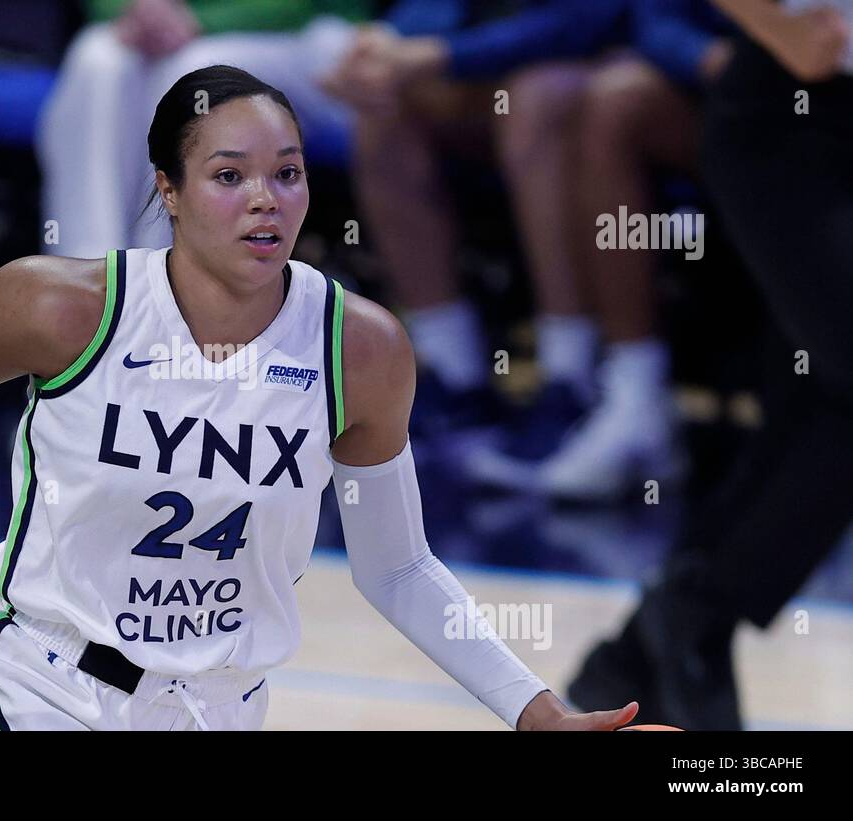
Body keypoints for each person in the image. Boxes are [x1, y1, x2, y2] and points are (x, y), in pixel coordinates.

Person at [0, 65, 638, 731]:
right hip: (39, 685)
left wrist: (535, 710)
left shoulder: (359, 349)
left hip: (219, 706)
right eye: (230, 176)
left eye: (287, 173)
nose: (266, 199)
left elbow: (397, 569)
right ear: (169, 189)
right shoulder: (63, 307)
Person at [569, 0, 853, 729]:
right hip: (794, 118)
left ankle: (640, 652)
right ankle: (688, 618)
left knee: (818, 404)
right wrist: (774, 21)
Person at [320, 0, 626, 444]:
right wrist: (387, 44)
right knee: (387, 102)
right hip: (492, 73)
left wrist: (444, 54)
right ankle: (452, 375)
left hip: (599, 66)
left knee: (538, 97)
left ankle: (570, 376)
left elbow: (592, 20)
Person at [466, 0, 737, 500]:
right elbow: (654, 16)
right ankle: (614, 392)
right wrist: (709, 56)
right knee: (581, 99)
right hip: (721, 76)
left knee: (603, 97)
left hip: (809, 81)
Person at [38, 0, 372, 259]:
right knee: (98, 58)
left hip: (311, 31)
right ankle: (89, 268)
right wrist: (135, 11)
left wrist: (202, 22)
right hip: (170, 26)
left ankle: (161, 276)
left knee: (192, 73)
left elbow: (295, 8)